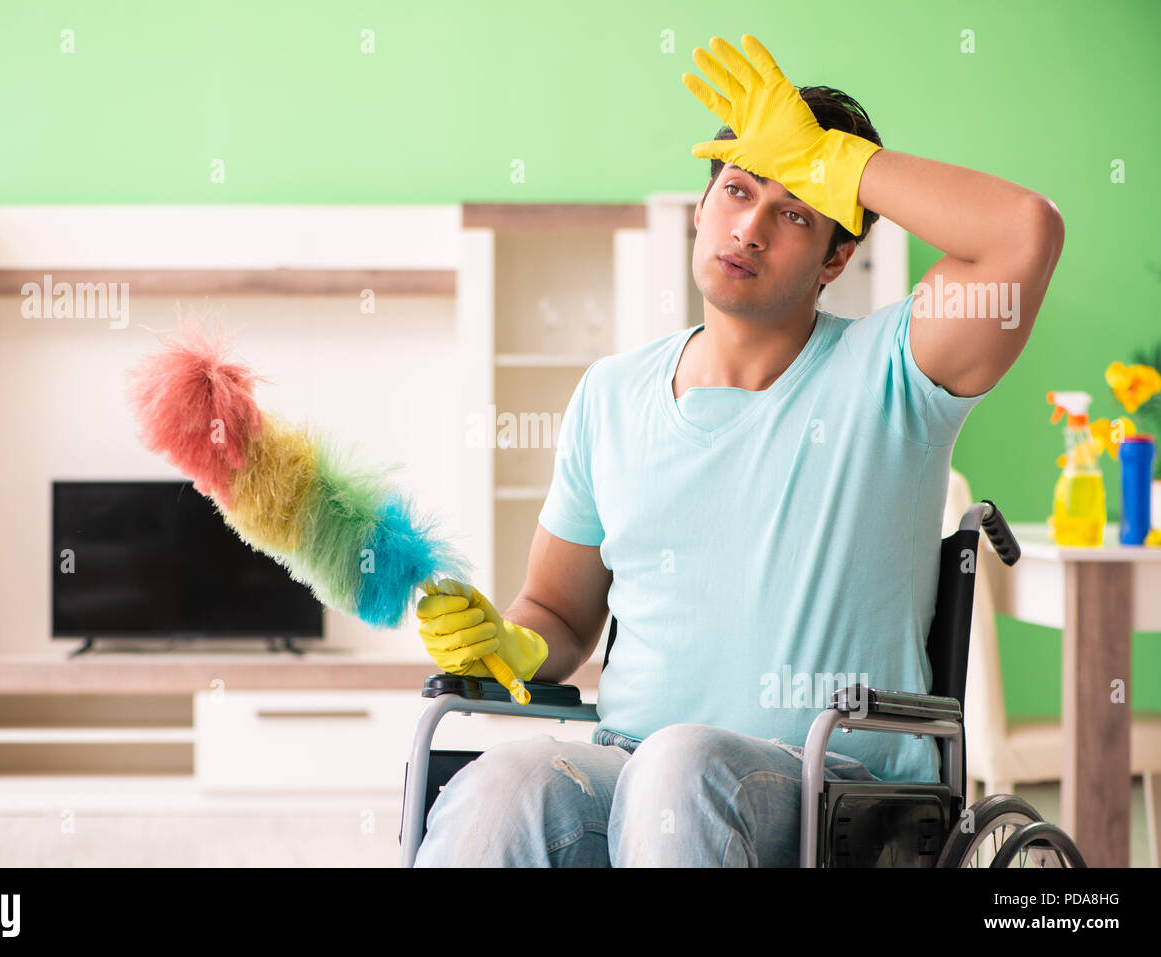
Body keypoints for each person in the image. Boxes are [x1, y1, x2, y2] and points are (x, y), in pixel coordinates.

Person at [413, 34, 1063, 867]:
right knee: (501, 784)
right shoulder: (610, 396)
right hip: (629, 768)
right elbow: (563, 609)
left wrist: (836, 161)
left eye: (794, 210)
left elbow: (1024, 234)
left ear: (837, 257)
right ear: (700, 207)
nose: (749, 227)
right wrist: (517, 644)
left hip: (839, 791)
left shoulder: (894, 371)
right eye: (737, 190)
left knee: (680, 767)